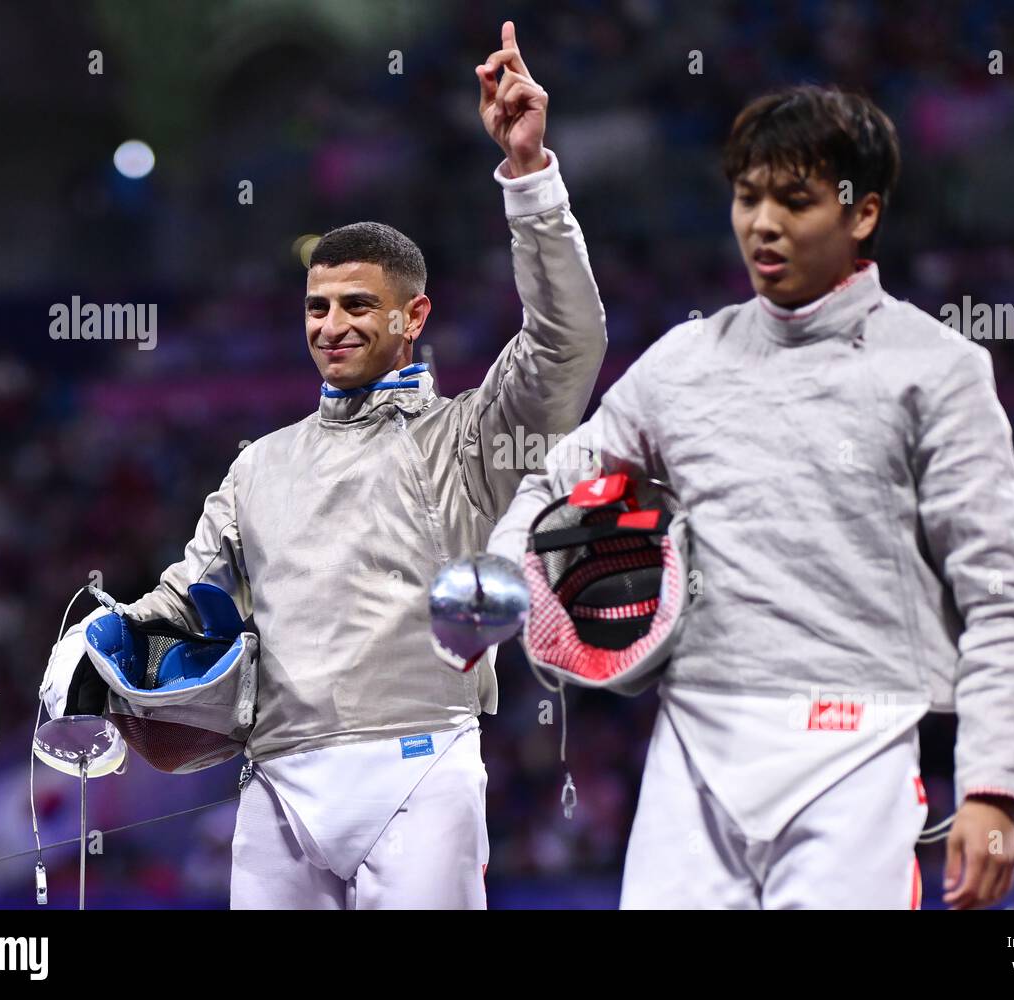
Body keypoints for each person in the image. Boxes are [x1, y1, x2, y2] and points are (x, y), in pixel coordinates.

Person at [46, 21, 606, 909]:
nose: (331, 324)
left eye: (357, 305)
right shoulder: (257, 469)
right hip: (275, 780)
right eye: (316, 306)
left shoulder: (467, 440)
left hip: (419, 766)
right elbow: (189, 597)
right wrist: (97, 641)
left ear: (412, 316)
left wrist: (530, 177)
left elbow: (569, 345)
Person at [488, 84, 1014, 909]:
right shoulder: (685, 362)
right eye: (747, 198)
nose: (763, 224)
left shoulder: (937, 369)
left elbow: (1001, 596)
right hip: (695, 750)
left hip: (855, 754)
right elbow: (551, 479)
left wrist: (994, 787)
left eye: (795, 201)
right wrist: (497, 583)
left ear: (861, 215)